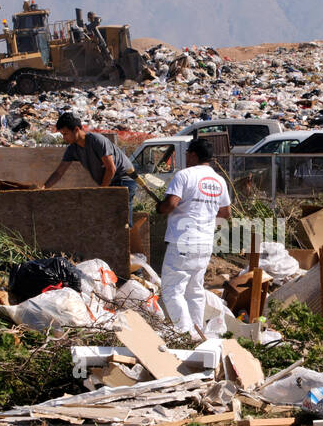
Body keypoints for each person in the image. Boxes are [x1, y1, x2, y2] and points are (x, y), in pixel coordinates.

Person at [157, 138, 231, 338]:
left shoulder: (184, 175)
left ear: (193, 155)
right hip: (204, 243)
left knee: (172, 290)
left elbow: (171, 204)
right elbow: (225, 212)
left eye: (187, 154)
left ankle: (185, 332)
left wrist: (159, 208)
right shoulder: (219, 180)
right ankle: (198, 333)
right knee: (194, 291)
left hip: (183, 240)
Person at [41, 111, 139, 223]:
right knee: (109, 222)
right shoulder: (72, 149)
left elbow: (111, 169)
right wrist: (43, 188)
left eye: (66, 134)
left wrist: (100, 192)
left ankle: (130, 236)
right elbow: (59, 173)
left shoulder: (96, 141)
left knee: (122, 223)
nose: (64, 138)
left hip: (123, 180)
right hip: (109, 183)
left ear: (76, 130)